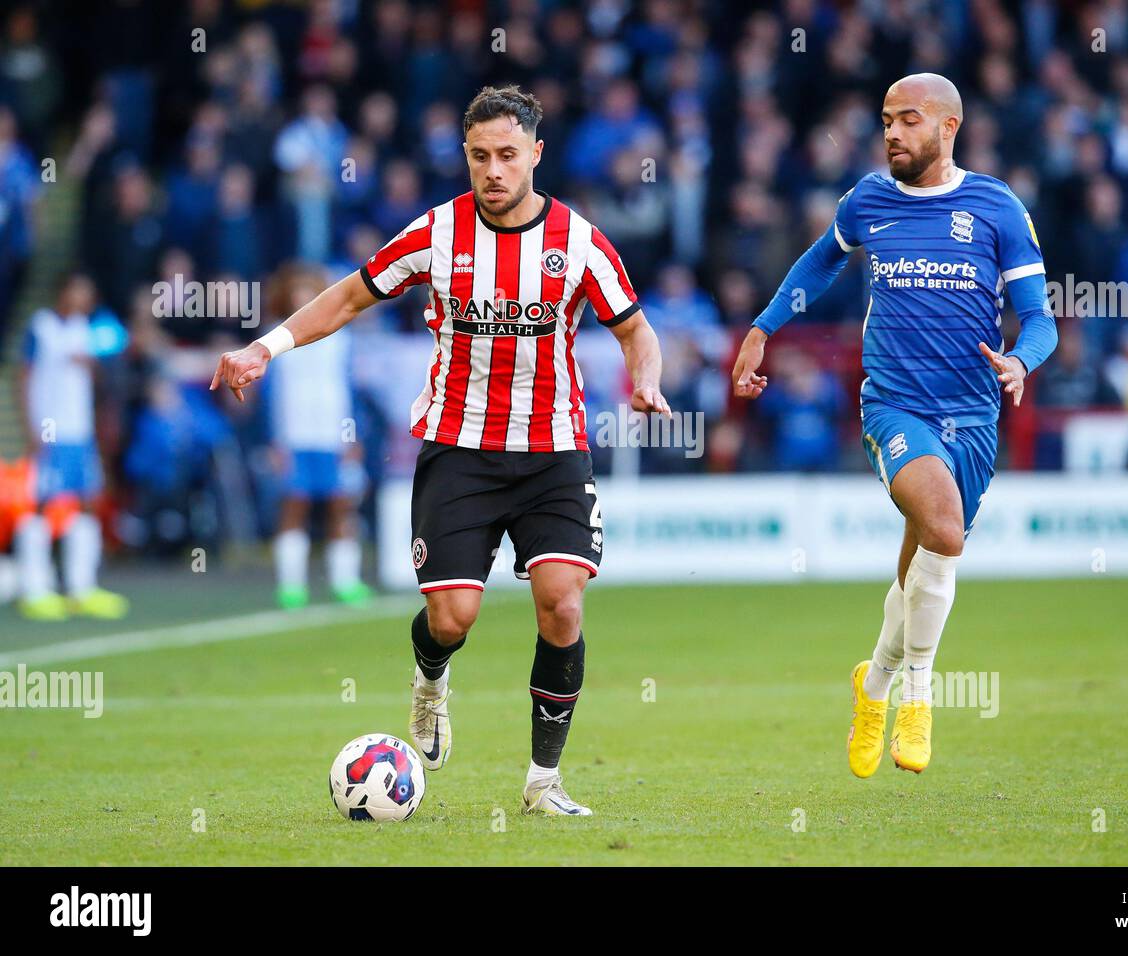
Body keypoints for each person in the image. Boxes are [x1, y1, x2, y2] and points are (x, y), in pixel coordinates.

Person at [211, 85, 669, 816]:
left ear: (535, 156)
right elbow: (349, 297)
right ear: (465, 156)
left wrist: (645, 380)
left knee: (561, 602)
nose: (493, 170)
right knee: (453, 618)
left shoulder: (578, 242)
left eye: (508, 156)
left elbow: (635, 328)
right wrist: (268, 346)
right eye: (480, 156)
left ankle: (544, 782)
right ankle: (431, 678)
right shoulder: (434, 234)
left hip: (553, 452)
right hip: (458, 449)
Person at [731, 73, 1057, 777]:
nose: (891, 133)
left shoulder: (996, 207)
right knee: (942, 528)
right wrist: (764, 328)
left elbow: (1039, 320)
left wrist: (1021, 362)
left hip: (973, 412)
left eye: (907, 120)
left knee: (921, 563)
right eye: (885, 120)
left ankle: (872, 683)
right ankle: (917, 695)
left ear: (947, 127)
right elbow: (821, 262)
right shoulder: (869, 200)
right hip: (894, 404)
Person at [15, 272, 129, 621]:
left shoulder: (88, 331)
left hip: (79, 432)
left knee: (86, 504)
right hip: (50, 431)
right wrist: (31, 426)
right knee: (41, 505)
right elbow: (23, 377)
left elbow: (99, 376)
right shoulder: (42, 327)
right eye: (77, 292)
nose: (82, 299)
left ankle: (81, 587)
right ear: (62, 292)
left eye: (87, 293)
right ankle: (35, 588)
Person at [265, 263, 372, 609]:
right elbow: (270, 397)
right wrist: (274, 442)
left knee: (341, 507)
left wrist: (351, 437)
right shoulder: (273, 338)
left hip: (333, 436)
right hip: (293, 438)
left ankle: (345, 582)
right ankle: (291, 587)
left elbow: (351, 392)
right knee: (294, 505)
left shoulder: (340, 339)